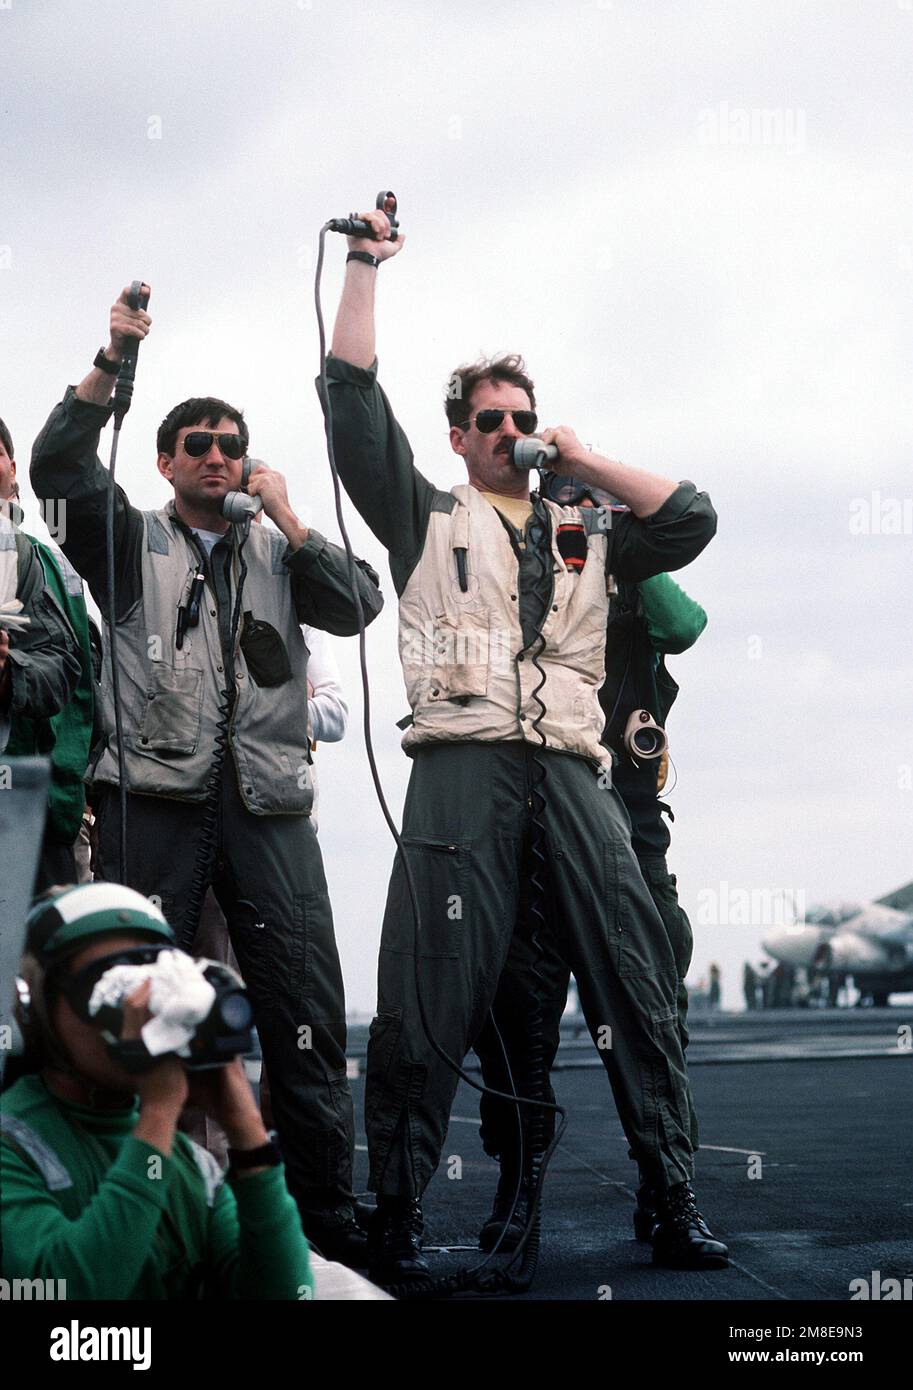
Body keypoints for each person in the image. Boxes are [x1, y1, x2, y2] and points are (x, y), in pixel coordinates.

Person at [320, 204, 726, 1282]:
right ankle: (401, 1210)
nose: (510, 433)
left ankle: (672, 1195)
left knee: (635, 976)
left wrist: (582, 458)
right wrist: (364, 263)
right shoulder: (426, 514)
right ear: (458, 434)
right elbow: (351, 404)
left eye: (523, 417)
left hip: (575, 768)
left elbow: (690, 517)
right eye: (490, 420)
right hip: (460, 762)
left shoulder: (586, 523)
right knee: (429, 986)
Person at [29, 285, 384, 1265]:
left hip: (269, 807)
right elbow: (59, 464)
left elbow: (357, 605)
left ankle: (323, 1225)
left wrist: (289, 514)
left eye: (232, 443)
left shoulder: (279, 548)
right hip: (153, 800)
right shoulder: (124, 536)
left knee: (304, 1014)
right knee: (141, 1001)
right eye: (197, 443)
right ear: (164, 460)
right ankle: (157, 1226)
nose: (216, 455)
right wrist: (118, 356)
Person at [474, 566, 711, 1254]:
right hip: (534, 839)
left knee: (654, 1021)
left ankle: (667, 1193)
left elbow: (684, 626)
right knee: (516, 1026)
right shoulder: (515, 580)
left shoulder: (636, 594)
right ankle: (518, 1191)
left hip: (631, 839)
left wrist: (626, 543)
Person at [1, 883, 313, 1299]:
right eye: (107, 986)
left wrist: (247, 1133)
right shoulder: (12, 1147)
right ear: (33, 1009)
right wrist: (159, 1112)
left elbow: (286, 1293)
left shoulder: (188, 1165)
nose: (139, 1009)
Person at [1, 416, 95, 892]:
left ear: (12, 469)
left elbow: (71, 669)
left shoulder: (41, 556)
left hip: (32, 806)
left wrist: (6, 671)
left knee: (37, 958)